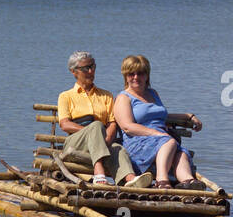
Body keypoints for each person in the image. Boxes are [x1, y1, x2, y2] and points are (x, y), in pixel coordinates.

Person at [57, 51, 153, 188]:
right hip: (76, 143)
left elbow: (112, 123)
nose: (91, 71)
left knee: (117, 148)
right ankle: (99, 171)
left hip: (102, 141)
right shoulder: (66, 96)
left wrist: (104, 139)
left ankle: (130, 179)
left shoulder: (106, 95)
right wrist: (93, 134)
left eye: (93, 66)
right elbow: (65, 124)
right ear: (74, 72)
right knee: (96, 126)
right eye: (86, 68)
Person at [114, 54, 206, 189]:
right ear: (125, 76)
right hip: (138, 141)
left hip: (161, 140)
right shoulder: (124, 97)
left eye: (140, 73)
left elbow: (161, 115)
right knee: (170, 142)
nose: (135, 77)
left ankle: (188, 182)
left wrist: (188, 116)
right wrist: (156, 133)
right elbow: (127, 127)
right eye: (131, 74)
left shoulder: (153, 93)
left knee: (181, 153)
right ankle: (162, 181)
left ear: (147, 75)